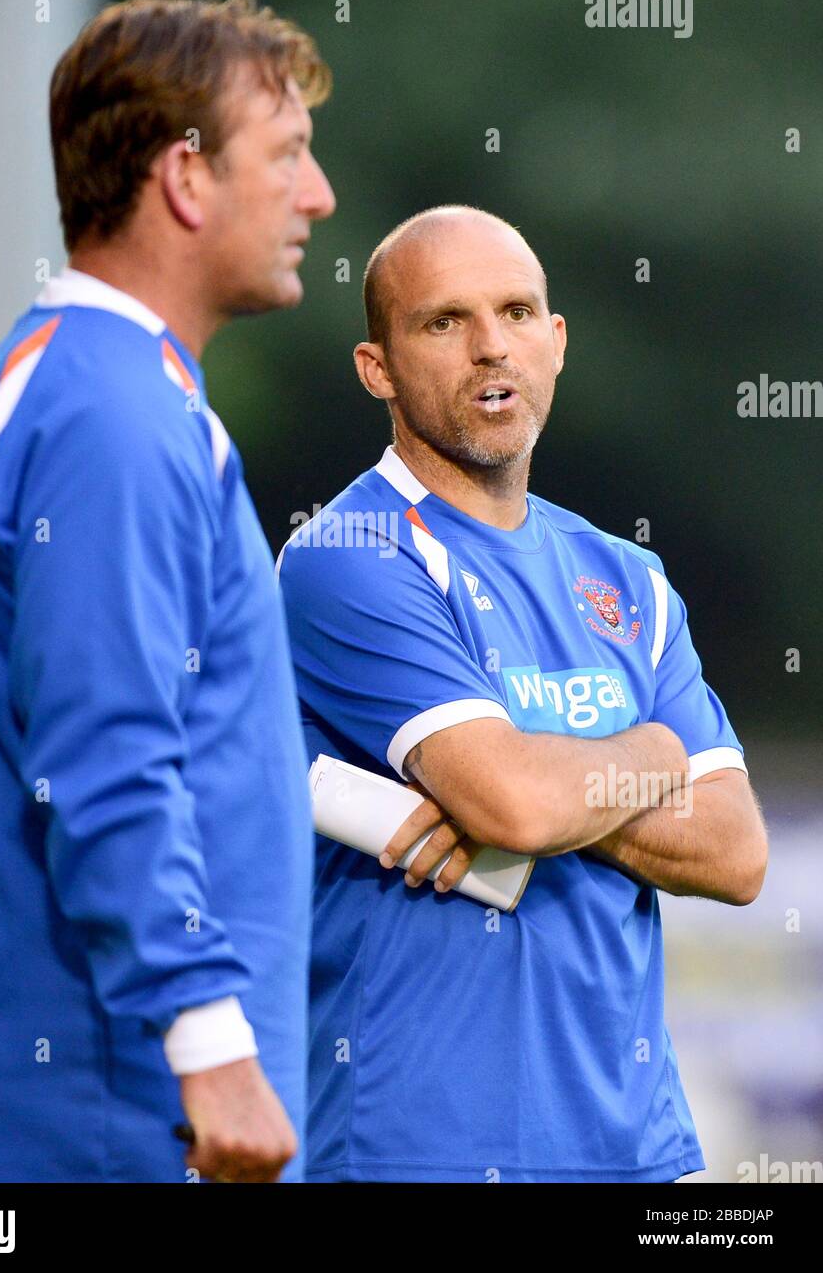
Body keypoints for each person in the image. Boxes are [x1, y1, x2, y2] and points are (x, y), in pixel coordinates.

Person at [0, 0, 335, 1183]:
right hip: (93, 1112)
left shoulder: (62, 374)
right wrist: (211, 1042)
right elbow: (107, 749)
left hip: (39, 1110)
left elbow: (177, 732)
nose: (316, 196)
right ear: (186, 177)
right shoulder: (113, 418)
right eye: (285, 155)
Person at [278, 205, 767, 1183]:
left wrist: (530, 794)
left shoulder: (625, 576)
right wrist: (647, 759)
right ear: (377, 367)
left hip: (632, 1158)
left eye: (514, 312)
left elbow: (734, 851)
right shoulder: (344, 554)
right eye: (442, 321)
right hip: (409, 1153)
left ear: (554, 343)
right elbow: (514, 799)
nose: (488, 345)